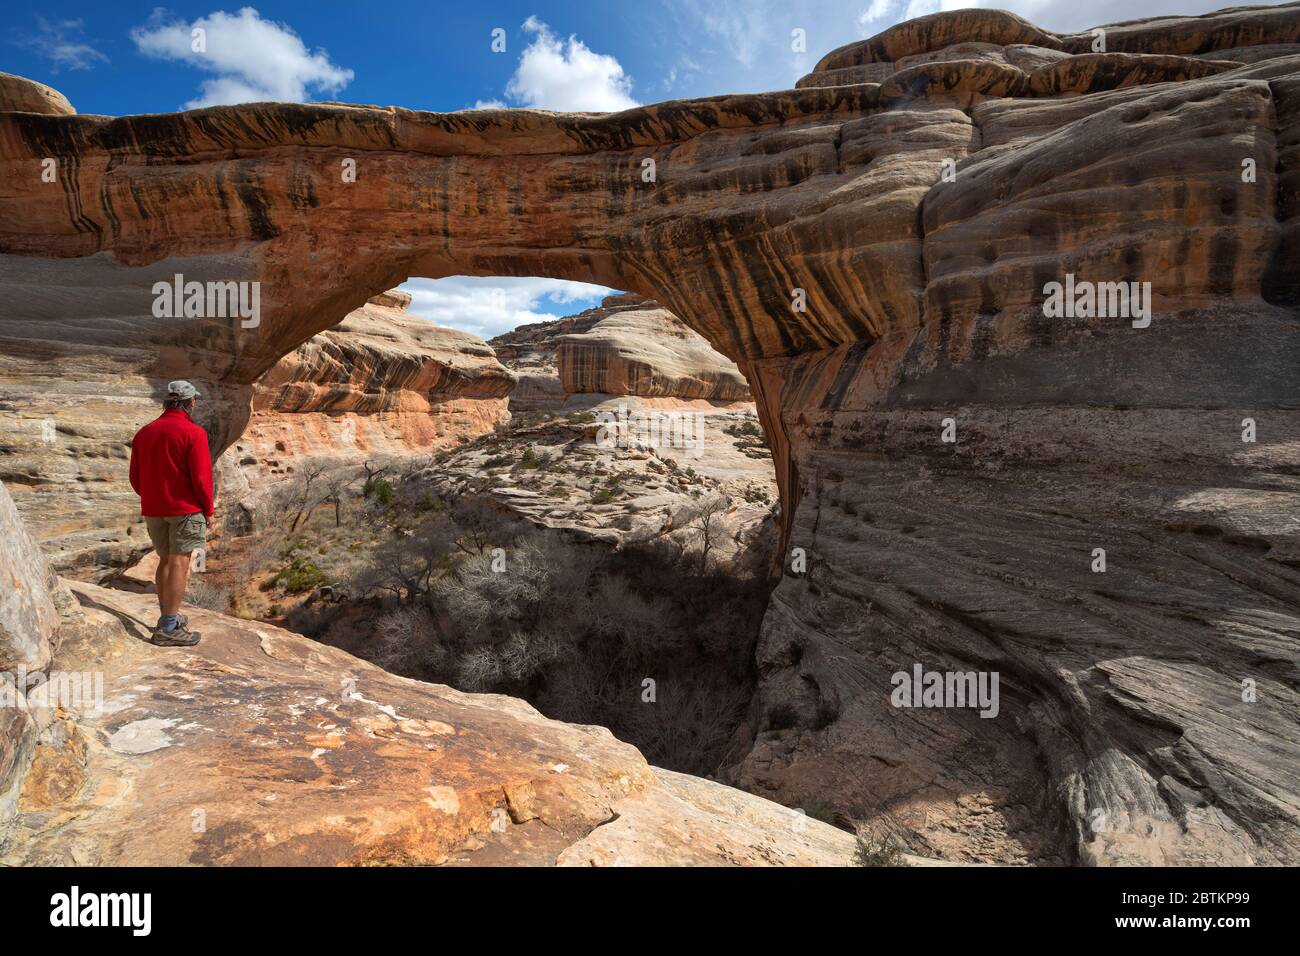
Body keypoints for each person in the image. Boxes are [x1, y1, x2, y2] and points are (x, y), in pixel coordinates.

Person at [128, 380, 214, 646]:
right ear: (190, 403)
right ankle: (167, 627)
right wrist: (207, 508)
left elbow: (135, 477)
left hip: (154, 509)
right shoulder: (193, 433)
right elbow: (201, 479)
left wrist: (154, 499)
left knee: (165, 561)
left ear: (166, 402)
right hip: (185, 509)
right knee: (179, 563)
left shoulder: (145, 432)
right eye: (194, 401)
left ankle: (169, 618)